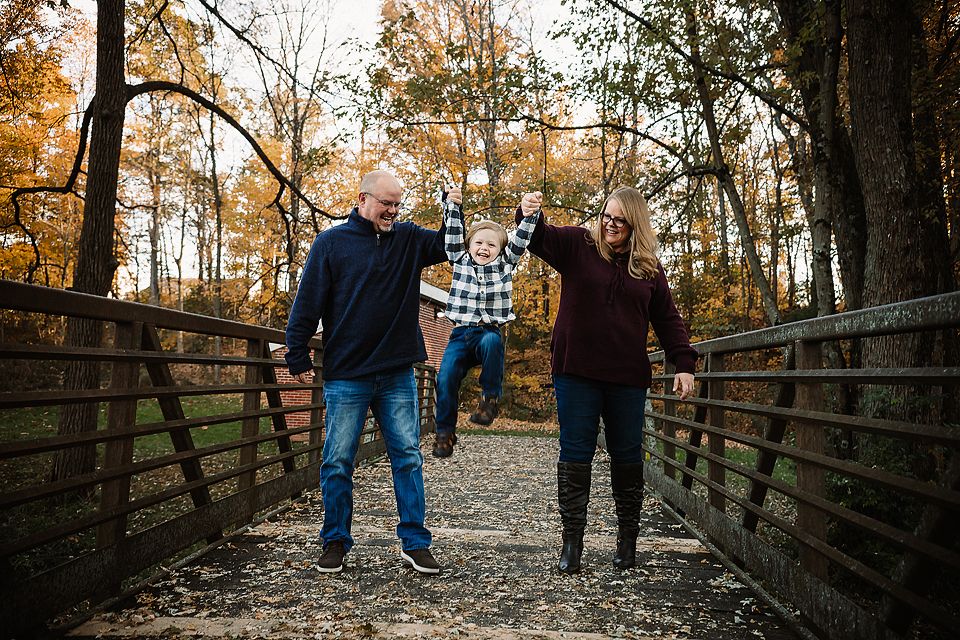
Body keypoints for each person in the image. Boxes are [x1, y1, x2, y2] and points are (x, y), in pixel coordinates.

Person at [285, 170, 460, 575]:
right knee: (337, 460)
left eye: (399, 204)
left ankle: (415, 542)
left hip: (397, 371)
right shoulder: (331, 243)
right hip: (348, 373)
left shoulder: (409, 239)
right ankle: (335, 541)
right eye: (386, 204)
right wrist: (296, 351)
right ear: (363, 199)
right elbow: (308, 300)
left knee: (408, 457)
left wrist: (454, 208)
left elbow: (448, 246)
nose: (393, 211)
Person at [516, 186, 696, 574]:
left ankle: (627, 542)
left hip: (626, 378)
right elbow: (538, 237)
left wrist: (683, 363)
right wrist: (528, 212)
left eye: (619, 220)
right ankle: (572, 544)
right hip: (576, 372)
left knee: (627, 456)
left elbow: (667, 319)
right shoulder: (579, 244)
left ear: (635, 226)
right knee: (575, 454)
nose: (610, 224)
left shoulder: (649, 268)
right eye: (606, 216)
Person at [431, 194, 540, 458]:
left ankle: (489, 399)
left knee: (493, 342)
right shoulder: (458, 258)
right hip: (459, 335)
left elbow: (522, 237)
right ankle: (445, 432)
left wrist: (531, 212)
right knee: (445, 377)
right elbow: (454, 231)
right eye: (478, 242)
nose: (484, 248)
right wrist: (453, 205)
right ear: (468, 246)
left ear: (500, 249)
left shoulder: (505, 263)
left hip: (487, 331)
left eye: (492, 244)